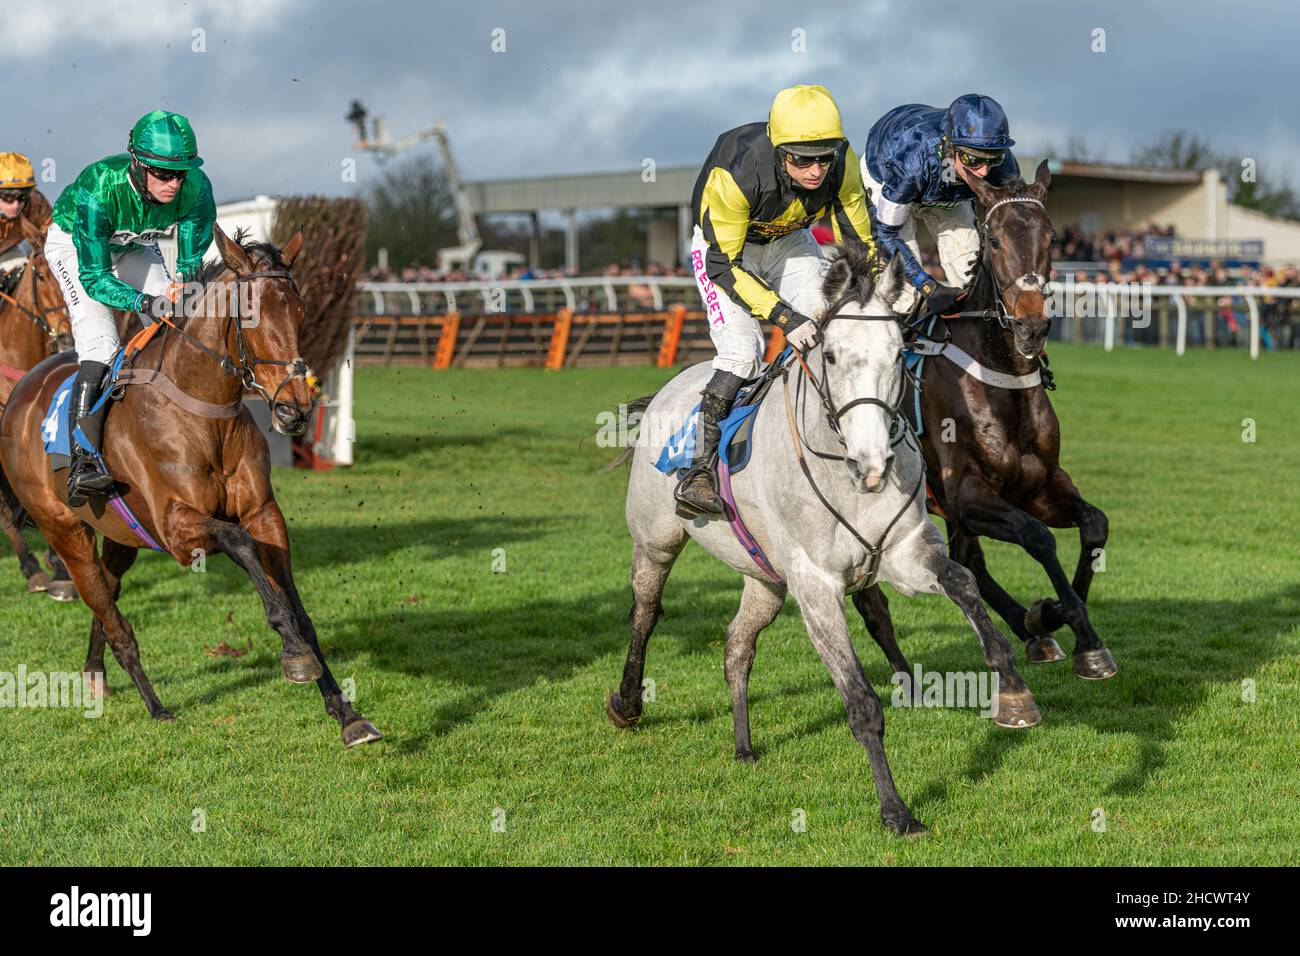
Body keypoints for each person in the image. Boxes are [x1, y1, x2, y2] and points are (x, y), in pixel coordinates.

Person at [677, 84, 877, 516]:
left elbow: (860, 243)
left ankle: (854, 433)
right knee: (742, 353)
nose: (816, 170)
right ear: (778, 149)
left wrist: (871, 299)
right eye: (802, 160)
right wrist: (784, 317)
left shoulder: (844, 165)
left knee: (832, 319)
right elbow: (724, 267)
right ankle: (696, 471)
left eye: (825, 157)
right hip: (725, 252)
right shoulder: (735, 172)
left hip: (789, 240)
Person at [44, 110, 216, 504]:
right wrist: (144, 302)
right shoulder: (99, 187)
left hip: (133, 244)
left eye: (181, 174)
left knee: (176, 323)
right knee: (100, 342)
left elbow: (189, 259)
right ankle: (83, 461)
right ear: (138, 164)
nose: (174, 184)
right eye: (162, 173)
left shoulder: (197, 189)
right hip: (76, 247)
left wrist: (178, 289)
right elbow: (95, 278)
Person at [861, 93, 1021, 317]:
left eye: (992, 159)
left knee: (971, 278)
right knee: (905, 296)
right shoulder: (912, 162)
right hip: (887, 172)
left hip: (943, 183)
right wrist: (928, 286)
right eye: (973, 160)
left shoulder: (1004, 164)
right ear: (950, 146)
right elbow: (887, 235)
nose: (984, 172)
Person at [0, 152, 53, 258]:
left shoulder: (36, 203)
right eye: (8, 198)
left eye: (22, 197)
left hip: (8, 251)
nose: (16, 205)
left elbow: (53, 237)